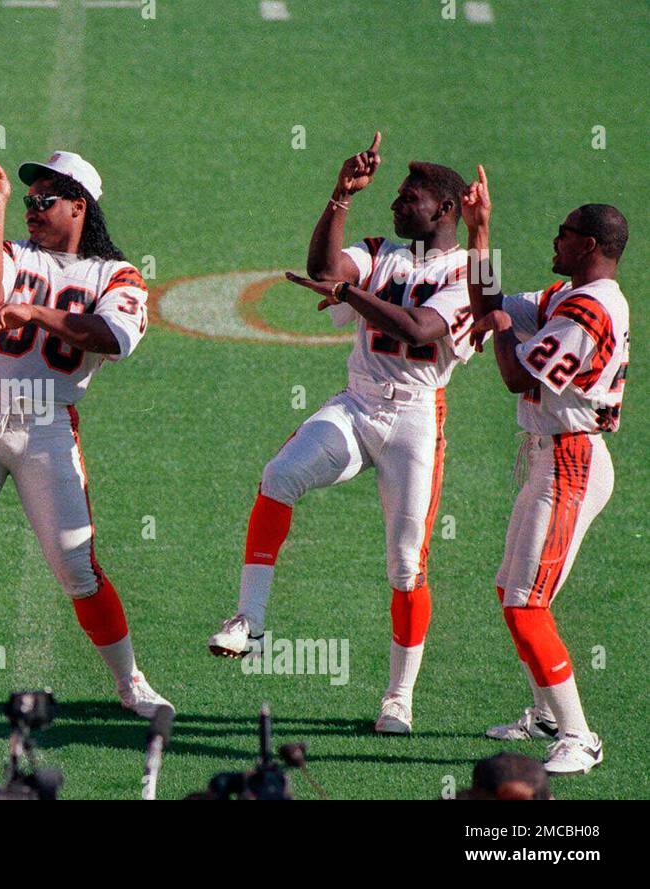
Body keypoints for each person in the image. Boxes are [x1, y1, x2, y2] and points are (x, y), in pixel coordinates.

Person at [208, 134, 479, 734]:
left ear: (445, 209)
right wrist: (339, 197)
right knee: (279, 475)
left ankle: (398, 697)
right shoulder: (383, 250)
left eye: (409, 197)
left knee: (406, 564)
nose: (395, 204)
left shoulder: (474, 275)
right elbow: (324, 270)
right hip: (357, 402)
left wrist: (348, 294)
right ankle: (248, 621)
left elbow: (417, 329)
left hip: (414, 416)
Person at [0, 150, 170, 718]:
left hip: (49, 423)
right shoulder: (16, 251)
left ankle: (129, 680)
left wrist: (37, 315)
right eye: (29, 200)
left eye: (45, 200)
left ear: (79, 207)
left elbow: (115, 339)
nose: (32, 210)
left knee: (76, 567)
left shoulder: (116, 275)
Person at [463, 166, 628, 774]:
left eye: (563, 234)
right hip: (548, 456)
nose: (553, 242)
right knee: (513, 590)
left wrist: (504, 330)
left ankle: (580, 737)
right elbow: (487, 302)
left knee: (527, 603)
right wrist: (481, 233)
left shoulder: (589, 311)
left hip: (570, 461)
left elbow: (516, 376)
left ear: (588, 245)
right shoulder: (568, 298)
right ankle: (545, 714)